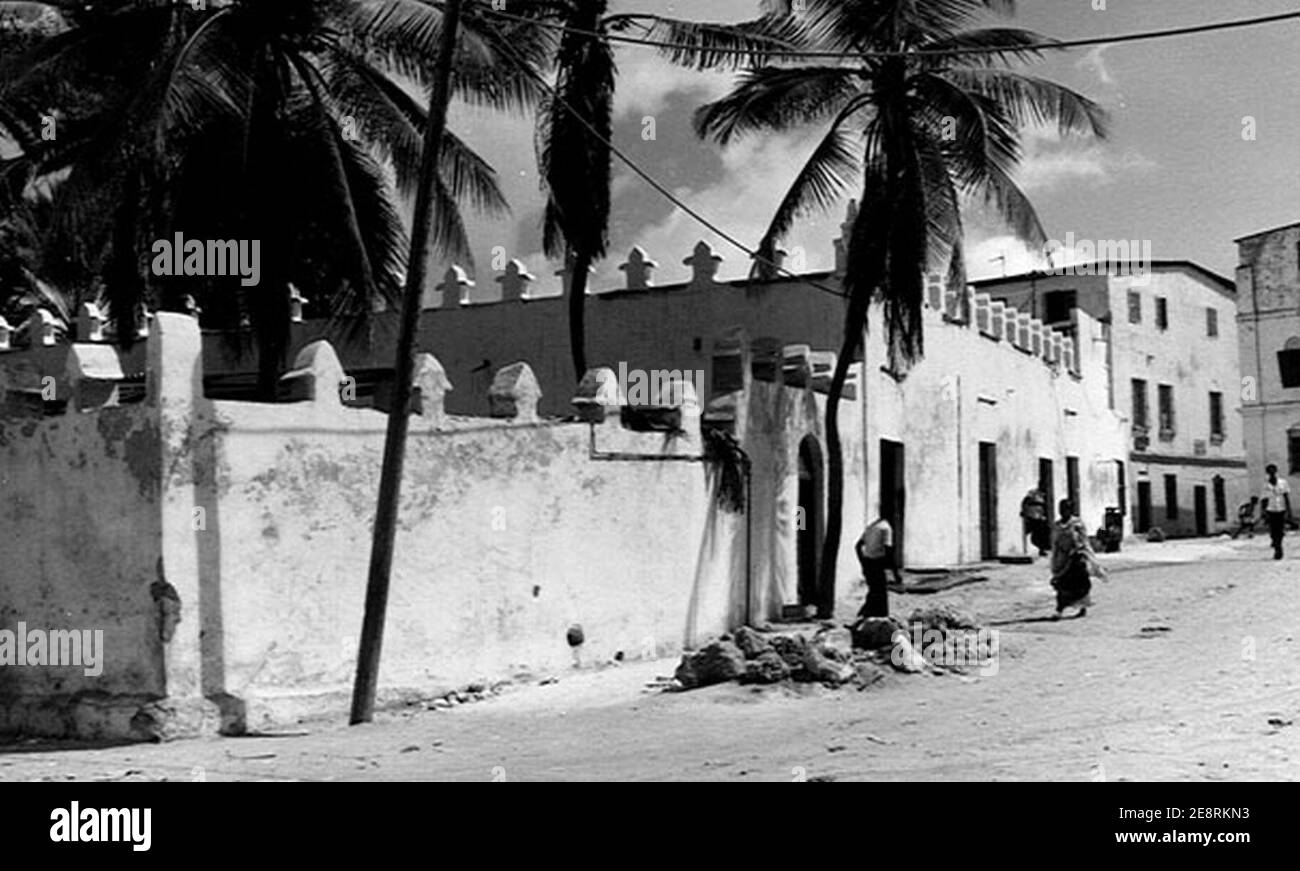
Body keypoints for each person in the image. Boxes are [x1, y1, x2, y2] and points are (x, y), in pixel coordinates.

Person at [1049, 499, 1106, 620]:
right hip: (1062, 559)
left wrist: (1084, 554)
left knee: (1079, 584)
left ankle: (1082, 607)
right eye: (1061, 508)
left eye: (1065, 509)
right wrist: (1055, 560)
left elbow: (1084, 540)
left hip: (1075, 559)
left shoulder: (1077, 524)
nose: (1063, 511)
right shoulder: (1057, 525)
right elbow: (1054, 543)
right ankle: (1059, 609)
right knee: (1062, 584)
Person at [856, 510, 903, 618]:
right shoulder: (886, 528)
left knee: (873, 591)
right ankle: (877, 618)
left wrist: (862, 562)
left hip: (868, 562)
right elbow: (888, 551)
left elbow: (858, 545)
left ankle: (865, 615)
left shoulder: (871, 527)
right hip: (877, 563)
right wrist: (895, 573)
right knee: (880, 593)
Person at [1260, 464, 1293, 560]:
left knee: (1281, 530)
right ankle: (1276, 544)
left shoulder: (1283, 483)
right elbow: (1264, 499)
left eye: (1273, 471)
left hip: (1281, 509)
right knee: (1273, 530)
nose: (1272, 473)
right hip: (1270, 510)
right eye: (1269, 472)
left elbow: (1286, 497)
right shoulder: (1265, 485)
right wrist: (1263, 512)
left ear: (1276, 471)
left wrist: (1288, 510)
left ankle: (1279, 547)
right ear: (1267, 473)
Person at [1020, 488, 1050, 555]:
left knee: (1040, 534)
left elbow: (1042, 509)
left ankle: (1041, 549)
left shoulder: (1040, 500)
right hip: (1032, 518)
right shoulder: (1030, 499)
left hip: (1037, 518)